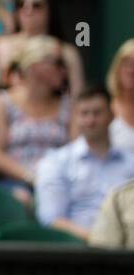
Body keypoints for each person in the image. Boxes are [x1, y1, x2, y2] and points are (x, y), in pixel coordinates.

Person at [0, 35, 74, 204]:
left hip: (58, 184)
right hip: (10, 184)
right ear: (36, 66)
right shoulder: (1, 103)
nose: (64, 71)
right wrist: (30, 176)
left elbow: (76, 150)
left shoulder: (68, 107)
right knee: (23, 198)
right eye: (58, 64)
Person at [34, 88, 134, 241]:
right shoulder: (56, 162)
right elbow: (51, 219)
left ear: (112, 115)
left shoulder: (130, 161)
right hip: (79, 251)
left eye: (97, 113)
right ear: (75, 117)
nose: (90, 120)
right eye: (84, 114)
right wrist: (98, 240)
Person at [0, 0, 84, 94]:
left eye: (36, 5)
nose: (28, 10)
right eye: (21, 4)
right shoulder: (4, 45)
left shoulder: (67, 52)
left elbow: (78, 98)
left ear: (50, 10)